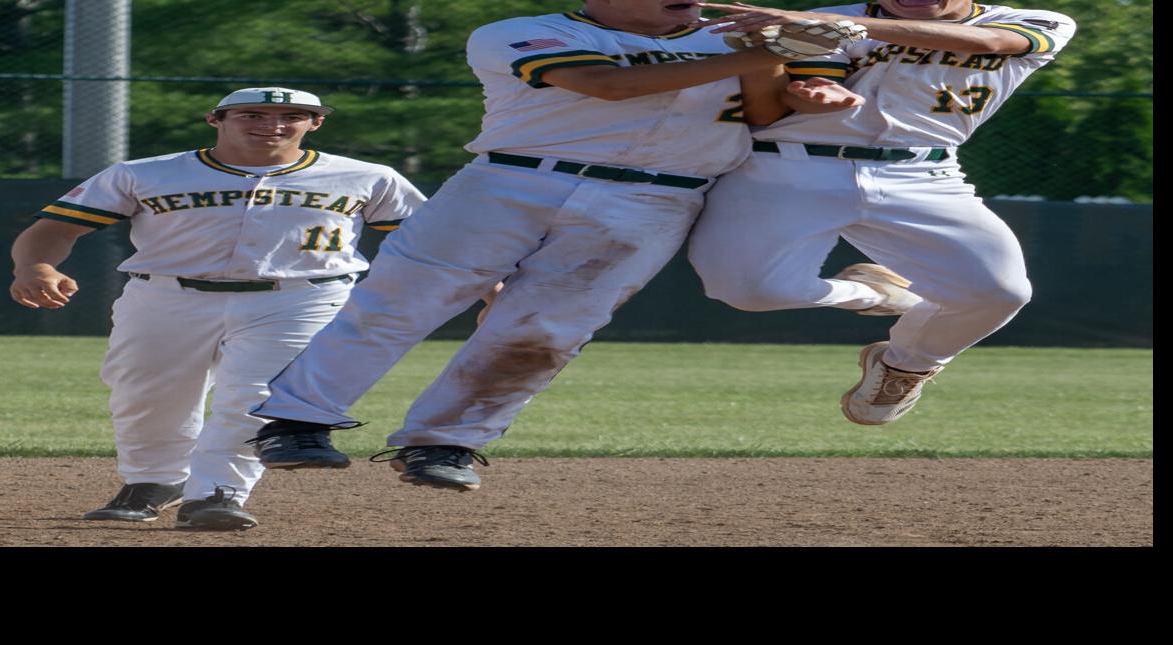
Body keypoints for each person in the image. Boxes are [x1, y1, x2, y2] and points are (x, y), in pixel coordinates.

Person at [246, 0, 868, 491]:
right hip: (509, 181)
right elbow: (606, 84)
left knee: (547, 330)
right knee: (400, 302)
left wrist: (769, 59)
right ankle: (298, 422)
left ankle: (445, 442)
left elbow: (761, 116)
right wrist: (755, 50)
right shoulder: (517, 30)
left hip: (656, 198)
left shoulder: (732, 39)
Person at [9, 87, 427, 529]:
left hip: (301, 298)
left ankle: (217, 493)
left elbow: (441, 243)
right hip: (165, 295)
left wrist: (490, 290)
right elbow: (54, 229)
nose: (273, 125)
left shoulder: (366, 177)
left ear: (316, 122)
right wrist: (34, 265)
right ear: (216, 119)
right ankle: (154, 482)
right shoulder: (146, 173)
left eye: (292, 116)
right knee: (146, 394)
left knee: (256, 398)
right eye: (252, 114)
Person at [687, 0, 1076, 425]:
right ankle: (874, 294)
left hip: (923, 172)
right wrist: (816, 94)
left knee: (1000, 292)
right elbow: (803, 88)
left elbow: (992, 42)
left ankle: (906, 365)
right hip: (788, 167)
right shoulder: (824, 18)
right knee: (748, 293)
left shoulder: (1034, 21)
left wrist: (840, 25)